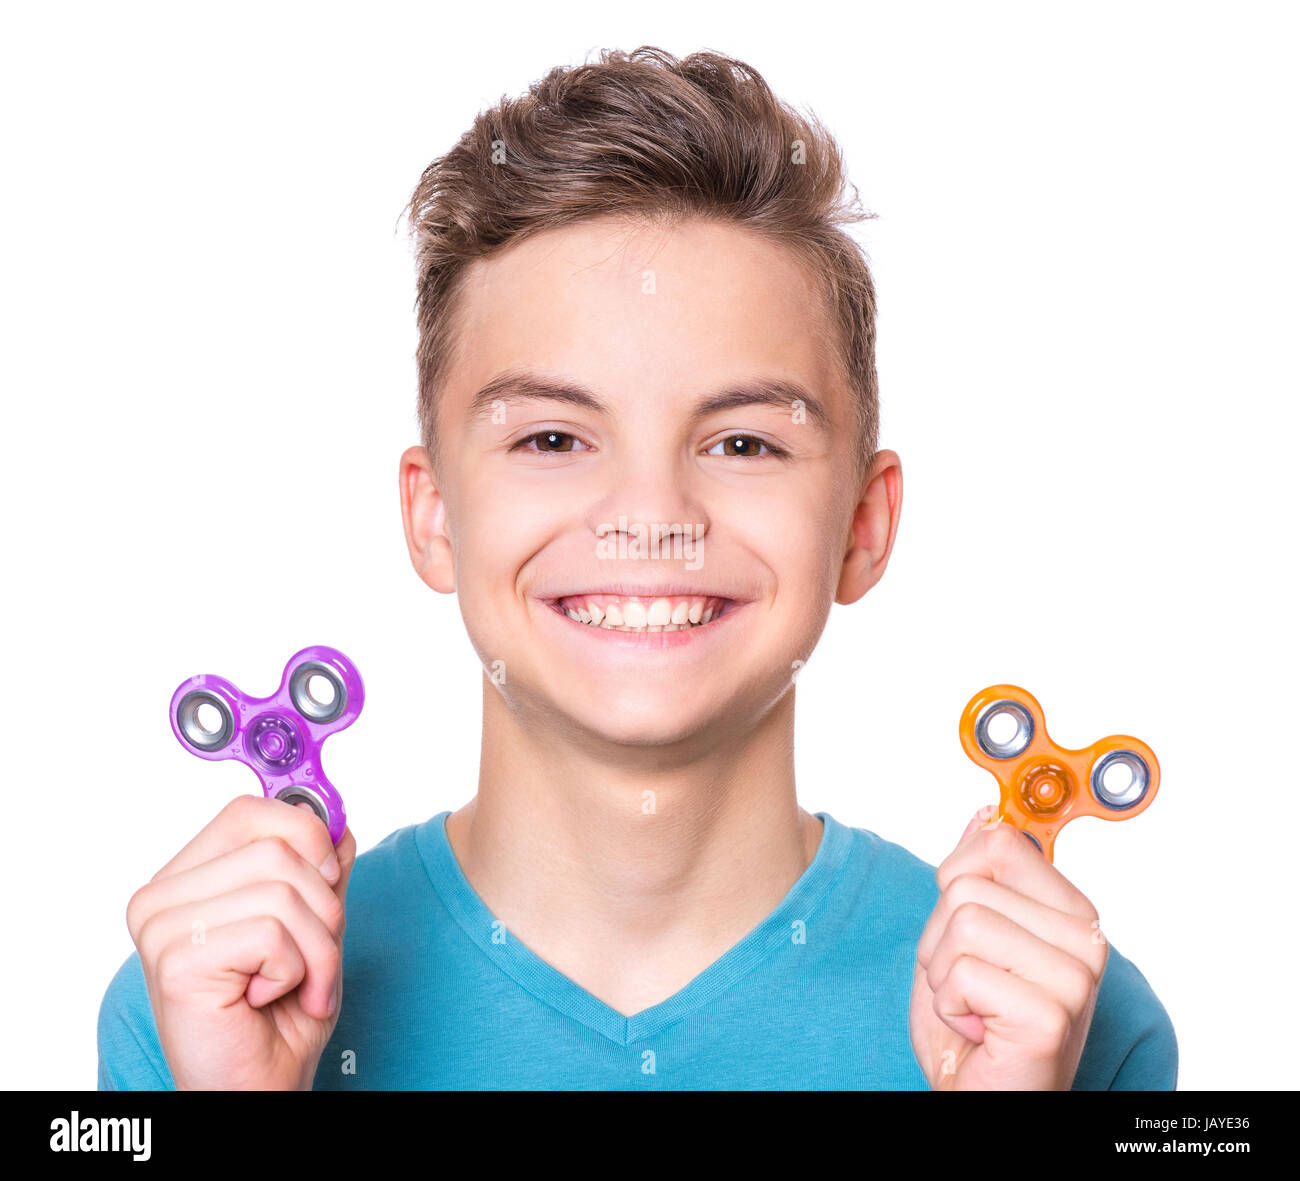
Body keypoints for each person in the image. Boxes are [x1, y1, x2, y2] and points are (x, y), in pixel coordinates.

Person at [98, 46, 1176, 1090]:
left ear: (861, 523)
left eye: (744, 442)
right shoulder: (199, 1004)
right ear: (432, 517)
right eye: (553, 439)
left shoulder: (1066, 1023)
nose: (650, 517)